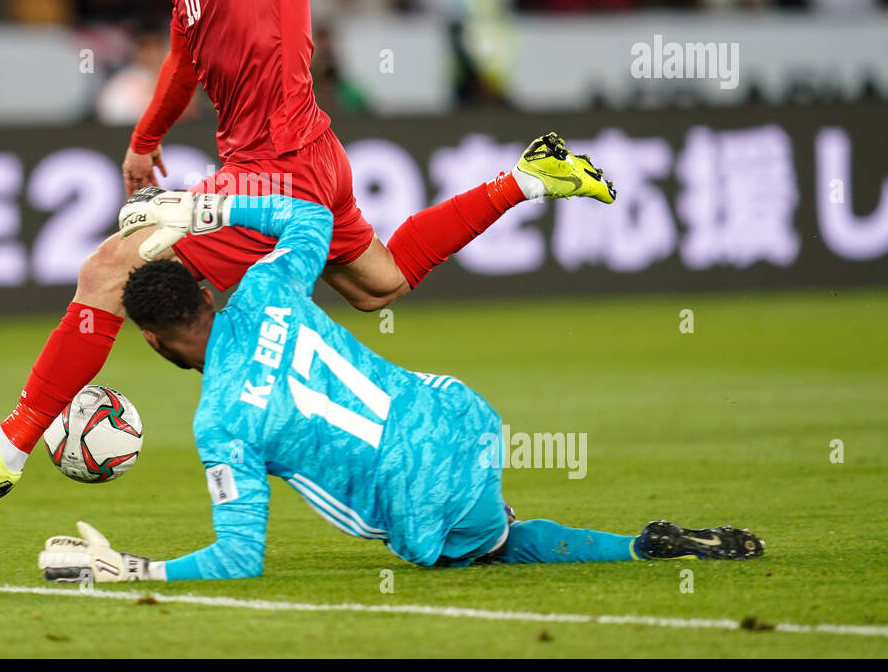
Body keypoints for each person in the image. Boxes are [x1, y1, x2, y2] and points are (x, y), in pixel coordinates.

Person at [0, 0, 617, 501]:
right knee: (381, 284)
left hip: (276, 165)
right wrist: (144, 140)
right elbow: (184, 66)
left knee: (106, 270)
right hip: (308, 157)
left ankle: (6, 447)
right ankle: (528, 178)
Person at [37, 187, 764, 583]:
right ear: (204, 289)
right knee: (491, 522)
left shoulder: (221, 420)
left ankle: (627, 547)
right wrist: (202, 206)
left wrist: (136, 568)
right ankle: (641, 548)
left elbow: (239, 560)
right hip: (461, 413)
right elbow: (311, 212)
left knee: (485, 542)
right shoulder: (268, 285)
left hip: (416, 496)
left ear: (152, 338)